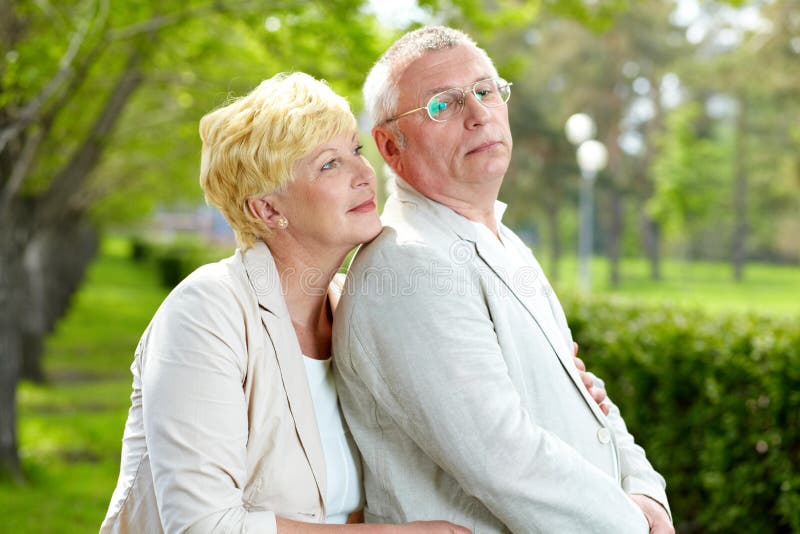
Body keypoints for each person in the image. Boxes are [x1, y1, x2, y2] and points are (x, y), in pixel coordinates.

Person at [332, 26, 674, 534]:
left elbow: (588, 394)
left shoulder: (505, 242)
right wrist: (633, 524)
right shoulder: (409, 266)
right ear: (390, 145)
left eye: (486, 90)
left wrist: (647, 491)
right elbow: (505, 460)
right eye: (442, 107)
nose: (478, 114)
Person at [100, 72, 470, 534]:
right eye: (328, 165)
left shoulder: (362, 308)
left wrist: (558, 375)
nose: (364, 174)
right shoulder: (206, 311)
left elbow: (461, 411)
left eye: (354, 151)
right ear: (268, 210)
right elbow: (201, 526)